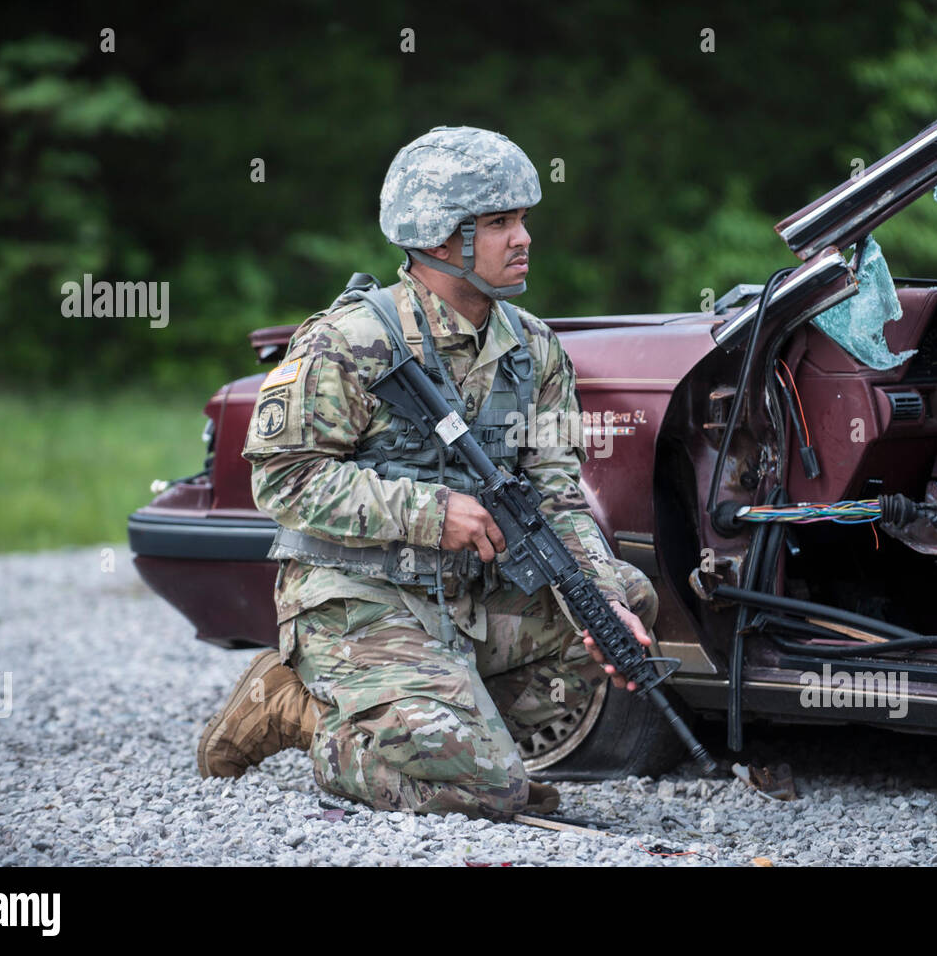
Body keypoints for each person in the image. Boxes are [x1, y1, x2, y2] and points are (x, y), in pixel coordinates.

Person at [196, 126, 660, 819]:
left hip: (465, 599)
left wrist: (598, 599)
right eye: (500, 223)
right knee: (489, 792)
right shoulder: (350, 339)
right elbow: (285, 481)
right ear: (441, 239)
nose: (523, 237)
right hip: (360, 596)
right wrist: (430, 512)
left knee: (627, 598)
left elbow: (559, 496)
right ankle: (300, 711)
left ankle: (449, 733)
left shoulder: (534, 350)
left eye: (524, 219)